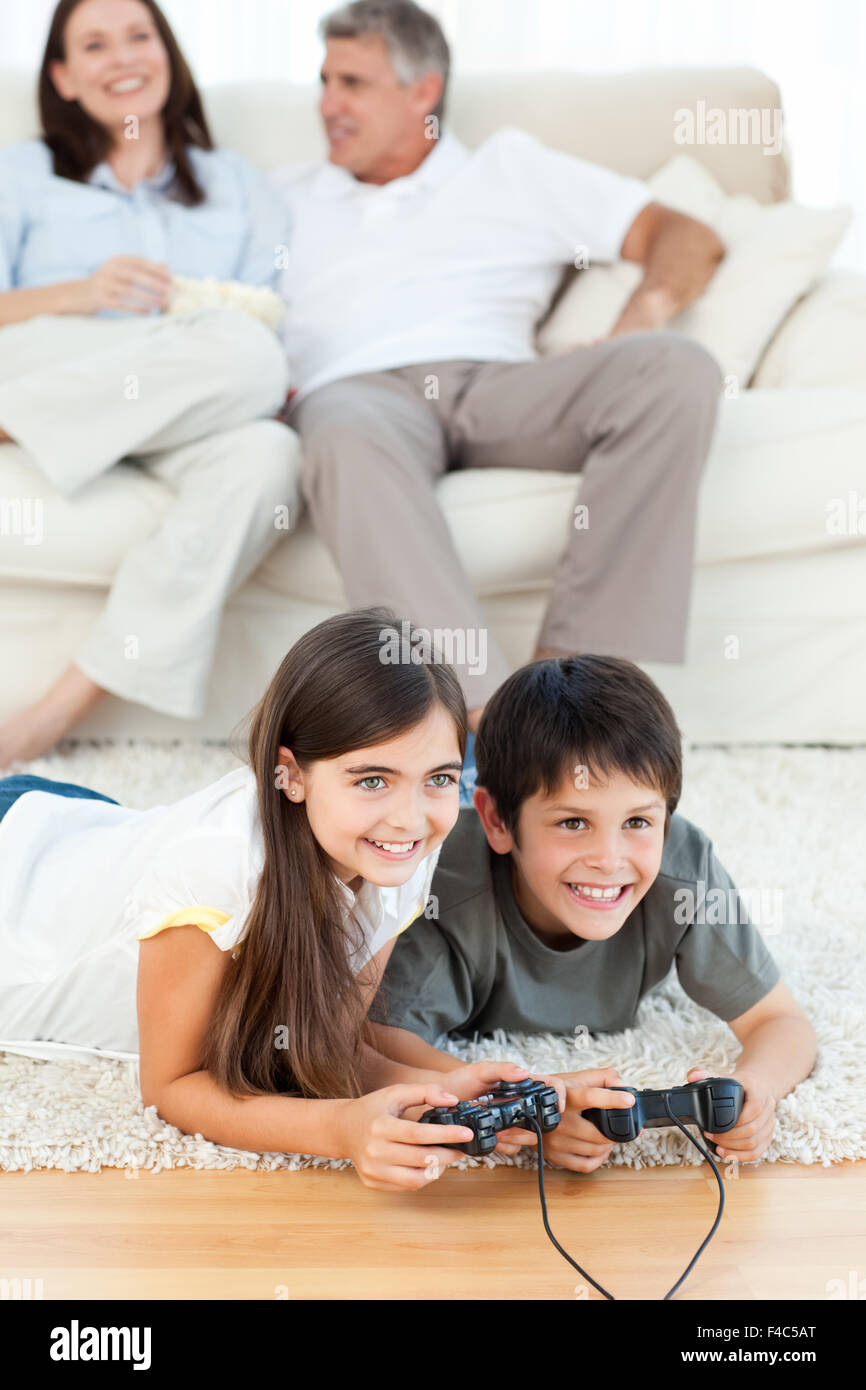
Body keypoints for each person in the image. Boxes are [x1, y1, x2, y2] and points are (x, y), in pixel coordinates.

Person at [273, 0, 726, 765]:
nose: (327, 104)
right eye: (323, 81)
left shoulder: (507, 169)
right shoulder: (284, 194)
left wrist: (643, 309)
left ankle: (582, 705)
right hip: (359, 395)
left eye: (352, 82)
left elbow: (687, 235)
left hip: (497, 384)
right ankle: (484, 731)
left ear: (423, 92)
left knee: (677, 369)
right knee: (343, 427)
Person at [0, 606, 574, 1191]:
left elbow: (335, 1038)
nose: (409, 818)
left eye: (439, 778)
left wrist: (456, 1084)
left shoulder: (402, 846)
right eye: (372, 780)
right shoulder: (213, 872)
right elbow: (170, 1088)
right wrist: (341, 1130)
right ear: (290, 775)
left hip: (78, 820)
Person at [371, 655, 817, 1171]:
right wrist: (536, 1110)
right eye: (573, 823)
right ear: (496, 821)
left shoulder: (682, 875)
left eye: (637, 821)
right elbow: (378, 1041)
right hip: (480, 806)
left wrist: (758, 1085)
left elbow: (781, 1020)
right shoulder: (442, 889)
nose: (609, 859)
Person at [0, 0, 298, 769]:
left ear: (168, 55)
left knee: (267, 446)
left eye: (139, 36)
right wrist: (74, 293)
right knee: (246, 359)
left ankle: (49, 718)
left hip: (183, 401)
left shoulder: (238, 185)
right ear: (62, 77)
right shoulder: (22, 173)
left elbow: (273, 320)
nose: (123, 57)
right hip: (55, 359)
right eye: (94, 45)